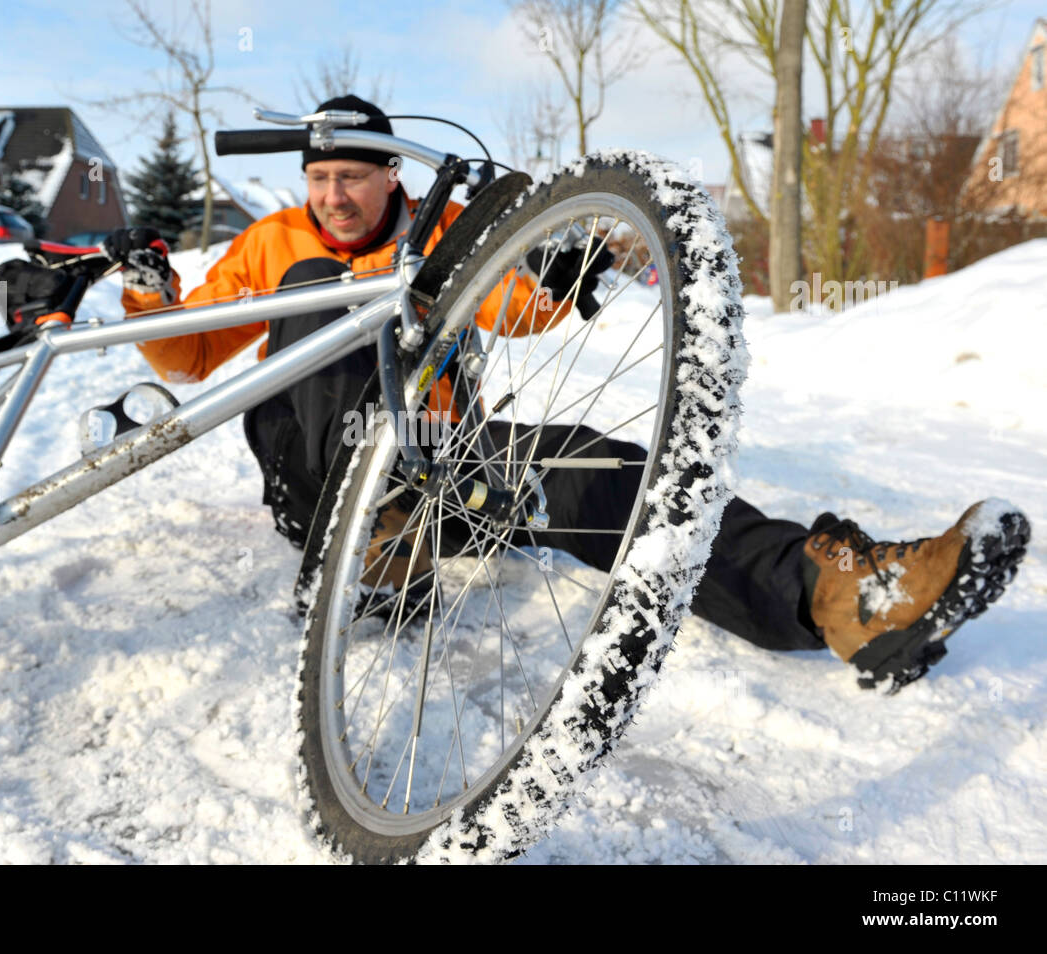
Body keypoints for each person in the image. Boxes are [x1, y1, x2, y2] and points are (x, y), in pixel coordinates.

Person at [98, 95, 1030, 693]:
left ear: (393, 173)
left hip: (441, 470)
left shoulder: (444, 228)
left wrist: (560, 268)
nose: (335, 195)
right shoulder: (272, 241)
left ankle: (835, 598)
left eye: (353, 175)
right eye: (320, 177)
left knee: (601, 468)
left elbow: (523, 310)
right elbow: (188, 359)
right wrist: (148, 292)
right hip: (323, 478)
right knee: (329, 302)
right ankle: (368, 540)